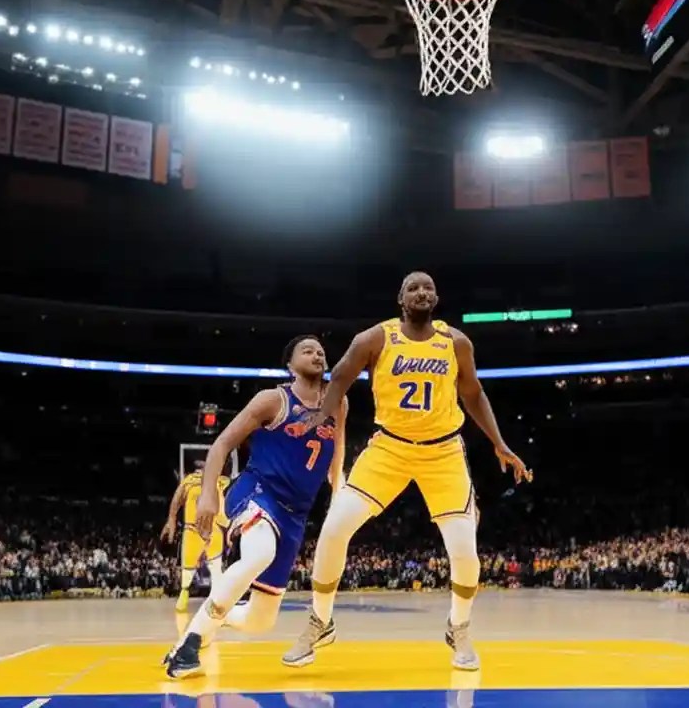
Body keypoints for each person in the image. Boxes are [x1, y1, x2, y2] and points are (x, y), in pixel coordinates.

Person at [284, 271, 530, 671]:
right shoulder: (375, 339)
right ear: (401, 298)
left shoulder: (456, 343)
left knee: (465, 553)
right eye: (413, 287)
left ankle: (459, 628)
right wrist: (321, 417)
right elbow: (342, 376)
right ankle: (320, 621)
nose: (421, 292)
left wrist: (499, 444)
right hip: (389, 448)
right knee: (334, 528)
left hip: (444, 452)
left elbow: (473, 393)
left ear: (436, 298)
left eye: (428, 287)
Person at [164, 335, 347, 679]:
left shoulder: (339, 403)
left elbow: (336, 451)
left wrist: (339, 494)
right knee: (259, 552)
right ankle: (189, 645)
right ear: (290, 365)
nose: (317, 354)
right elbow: (221, 445)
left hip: (295, 513)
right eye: (307, 350)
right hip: (257, 490)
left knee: (260, 621)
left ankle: (204, 622)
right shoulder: (272, 400)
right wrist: (206, 495)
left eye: (321, 350)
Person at [162, 461, 230, 611]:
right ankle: (184, 591)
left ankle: (216, 600)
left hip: (215, 527)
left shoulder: (221, 480)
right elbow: (177, 498)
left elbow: (232, 494)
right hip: (193, 528)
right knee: (188, 567)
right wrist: (171, 518)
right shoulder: (189, 480)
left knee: (216, 567)